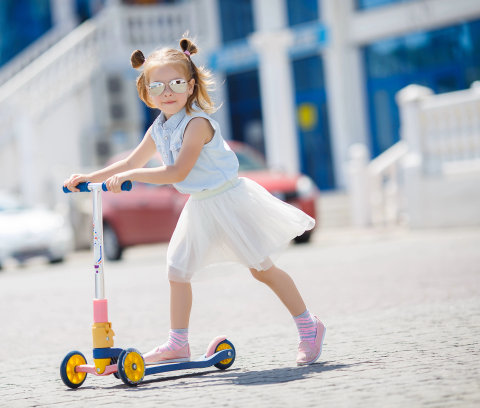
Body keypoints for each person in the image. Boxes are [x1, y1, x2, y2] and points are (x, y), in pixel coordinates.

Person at [64, 37, 324, 366]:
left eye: (175, 83)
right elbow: (132, 161)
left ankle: (309, 327)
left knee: (262, 269)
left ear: (189, 86)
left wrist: (134, 178)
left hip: (229, 201)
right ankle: (178, 343)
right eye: (156, 86)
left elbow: (177, 171)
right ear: (146, 92)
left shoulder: (197, 124)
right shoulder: (159, 127)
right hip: (201, 205)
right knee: (177, 270)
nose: (166, 92)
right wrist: (90, 177)